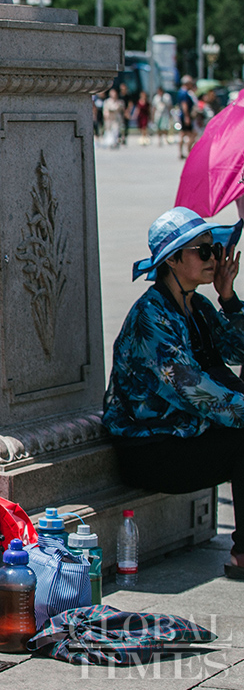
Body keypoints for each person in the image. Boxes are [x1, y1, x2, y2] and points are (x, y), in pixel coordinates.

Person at [103, 206, 244, 579]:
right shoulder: (151, 317)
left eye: (215, 249)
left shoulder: (197, 305)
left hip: (187, 433)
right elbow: (195, 392)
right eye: (204, 251)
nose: (215, 258)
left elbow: (238, 350)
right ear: (173, 260)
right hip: (152, 448)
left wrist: (228, 299)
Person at [178, 75, 198, 160]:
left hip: (182, 115)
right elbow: (184, 105)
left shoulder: (180, 91)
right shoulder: (184, 93)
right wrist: (187, 117)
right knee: (192, 135)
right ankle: (188, 151)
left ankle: (181, 152)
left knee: (183, 134)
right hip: (186, 116)